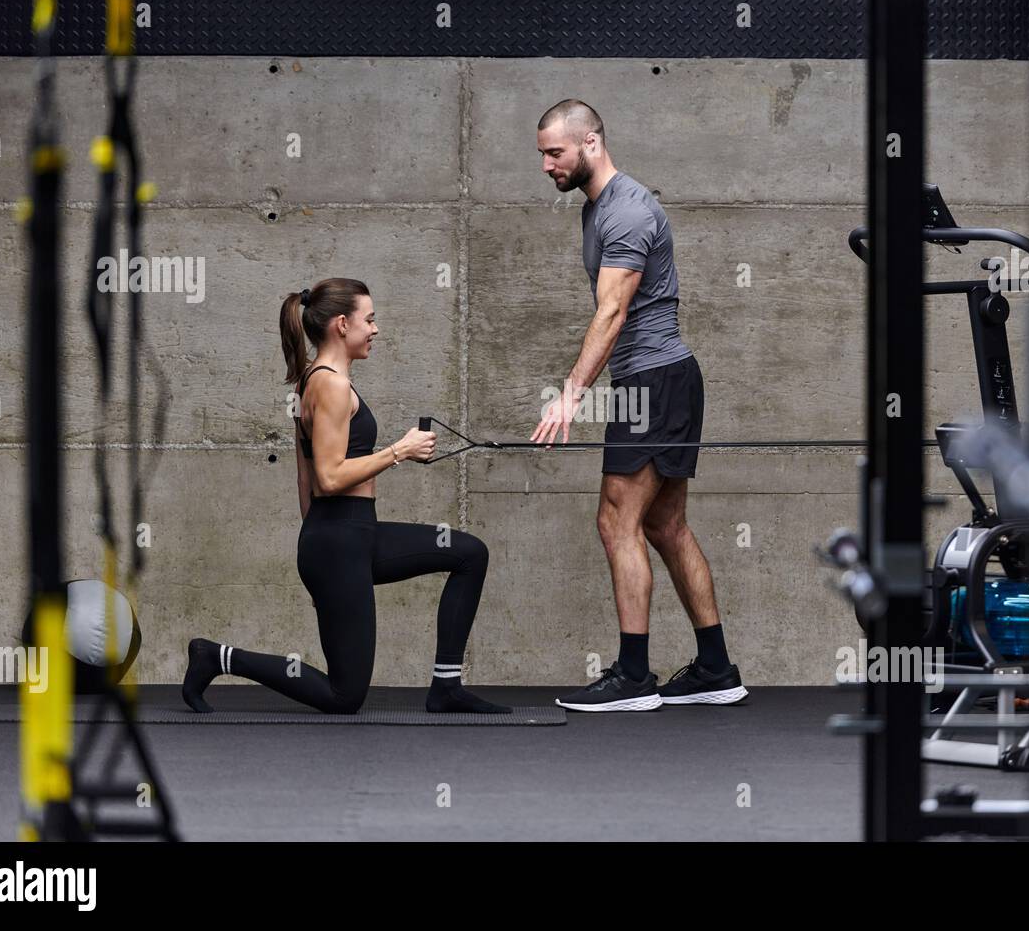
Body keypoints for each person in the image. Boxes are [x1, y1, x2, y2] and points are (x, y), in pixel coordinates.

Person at [183, 278, 508, 714]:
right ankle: (215, 656)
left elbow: (304, 483)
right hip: (339, 541)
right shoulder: (331, 386)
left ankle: (446, 687)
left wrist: (317, 559)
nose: (375, 329)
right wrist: (400, 451)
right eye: (369, 319)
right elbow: (328, 478)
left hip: (346, 538)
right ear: (341, 324)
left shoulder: (309, 383)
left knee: (468, 553)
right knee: (345, 695)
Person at [533, 100, 748, 711]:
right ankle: (715, 667)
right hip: (663, 380)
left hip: (650, 384)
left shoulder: (625, 212)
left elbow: (612, 312)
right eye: (543, 155)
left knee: (616, 522)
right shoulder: (600, 206)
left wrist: (571, 395)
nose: (547, 166)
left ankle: (632, 677)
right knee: (665, 524)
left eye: (556, 153)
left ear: (591, 143)